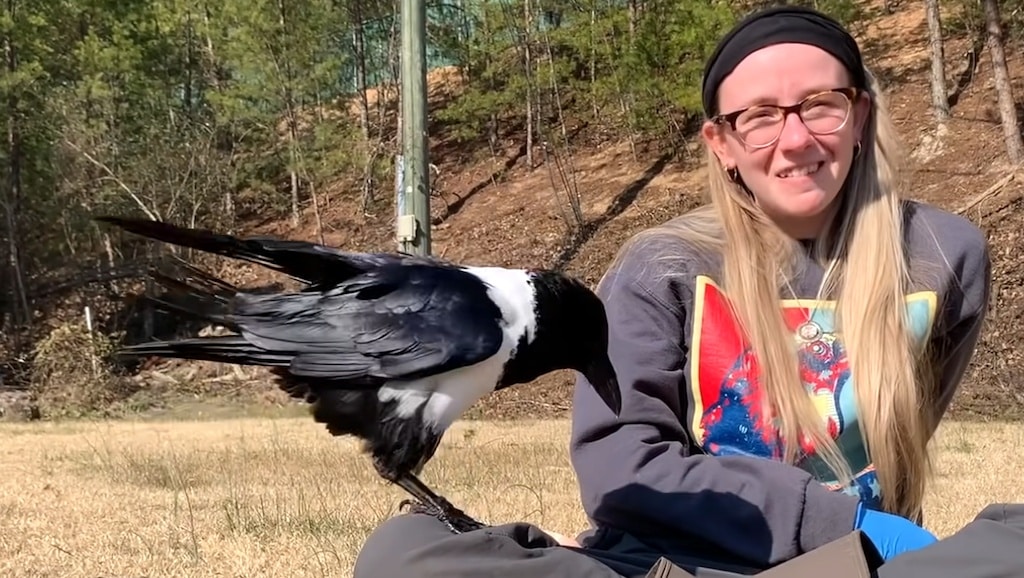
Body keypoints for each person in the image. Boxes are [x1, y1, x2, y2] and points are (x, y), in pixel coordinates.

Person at [352, 5, 1016, 578]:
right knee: (404, 551)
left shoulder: (942, 254)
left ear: (860, 114)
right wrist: (842, 524)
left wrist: (882, 547)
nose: (795, 138)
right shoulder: (662, 265)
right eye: (759, 116)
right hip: (677, 565)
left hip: (854, 568)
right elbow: (622, 468)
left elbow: (902, 435)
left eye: (820, 104)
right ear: (722, 142)